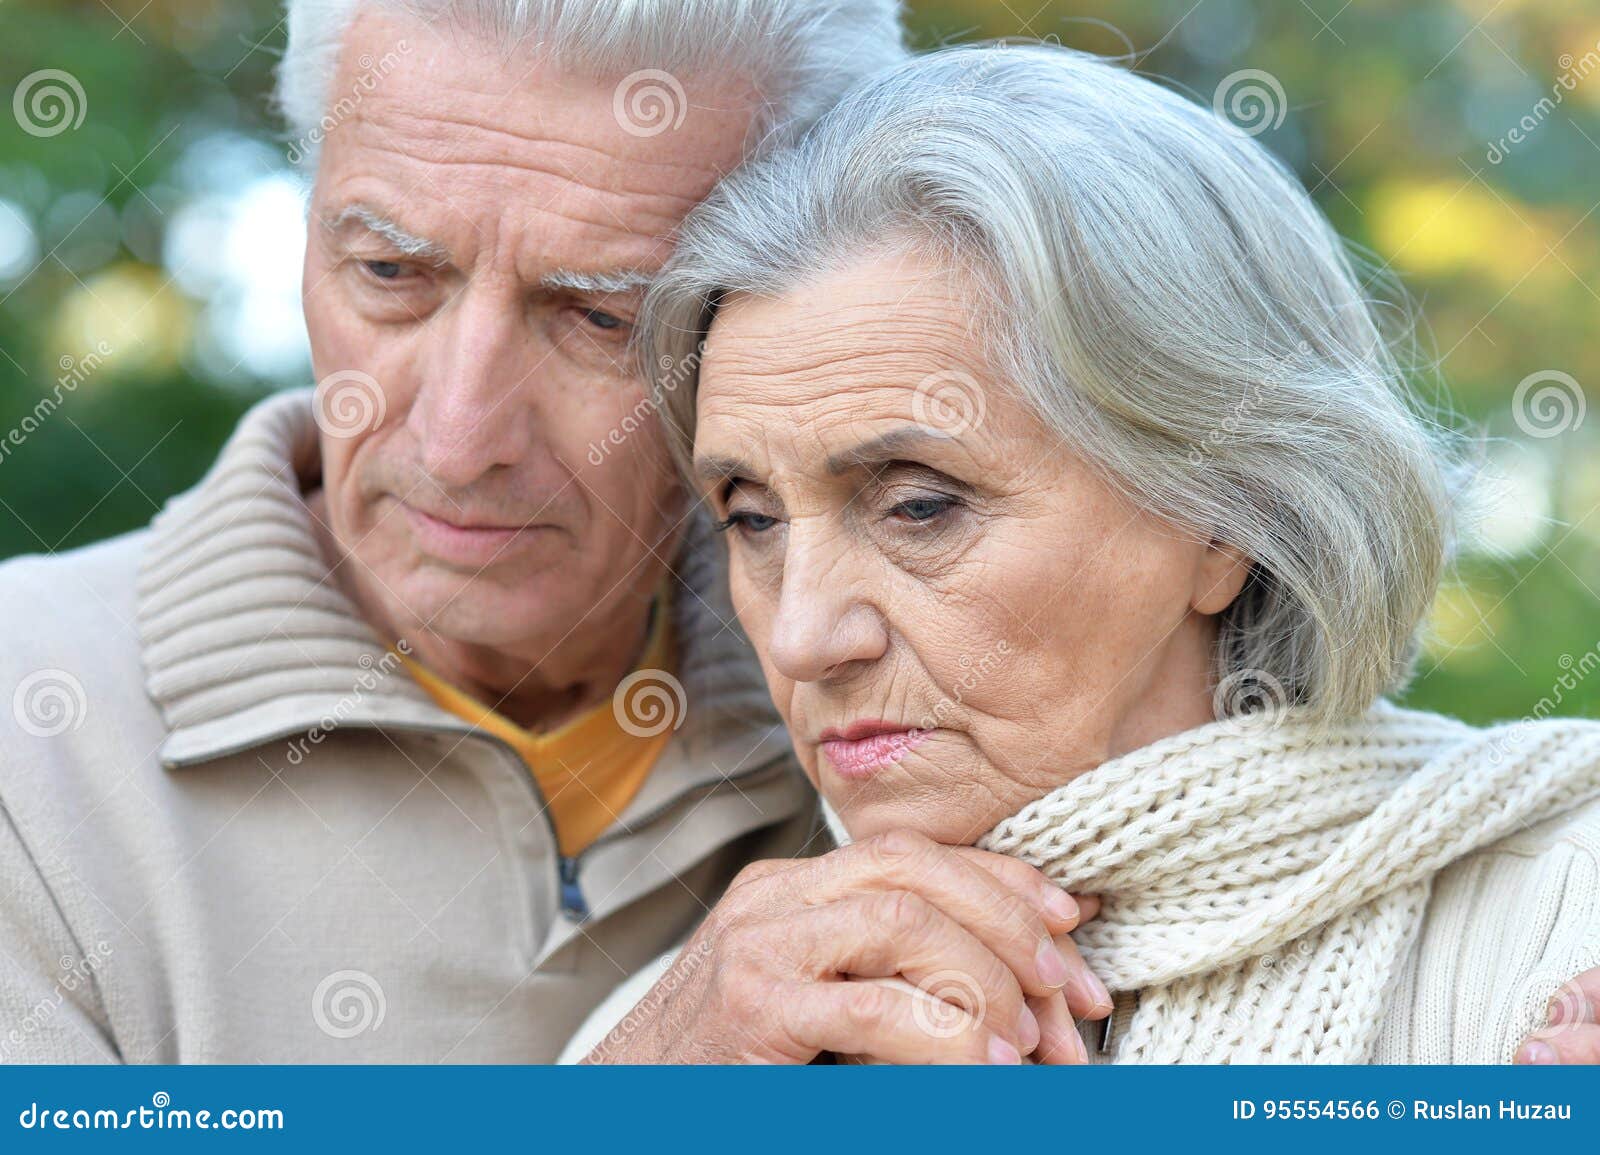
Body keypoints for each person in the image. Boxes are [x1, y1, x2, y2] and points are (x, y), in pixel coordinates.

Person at [0, 1, 1110, 1063]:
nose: (456, 437)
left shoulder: (940, 710)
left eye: (601, 316)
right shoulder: (27, 739)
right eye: (390, 273)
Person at [565, 43, 1600, 1064]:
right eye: (752, 517)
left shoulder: (1564, 933)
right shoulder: (696, 1028)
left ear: (1223, 515)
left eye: (918, 507)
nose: (800, 636)